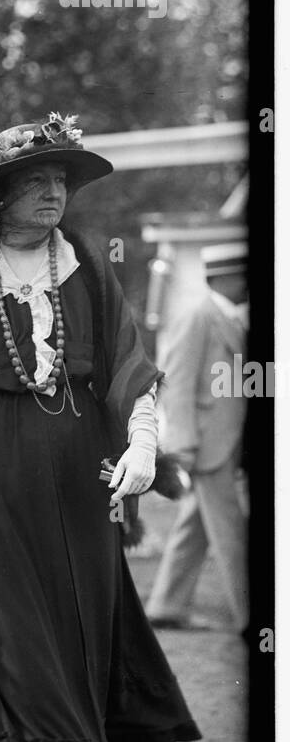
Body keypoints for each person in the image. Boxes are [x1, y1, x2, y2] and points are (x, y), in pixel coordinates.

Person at [0, 113, 200, 742]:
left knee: (79, 622)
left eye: (62, 182)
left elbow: (126, 361)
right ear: (0, 195)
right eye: (38, 182)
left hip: (81, 464)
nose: (55, 194)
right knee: (5, 631)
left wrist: (142, 444)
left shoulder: (86, 263)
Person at [146, 243, 249, 633]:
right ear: (223, 278)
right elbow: (176, 386)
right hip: (207, 446)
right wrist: (184, 447)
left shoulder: (233, 320)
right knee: (231, 532)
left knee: (196, 527)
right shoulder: (197, 318)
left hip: (228, 442)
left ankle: (165, 606)